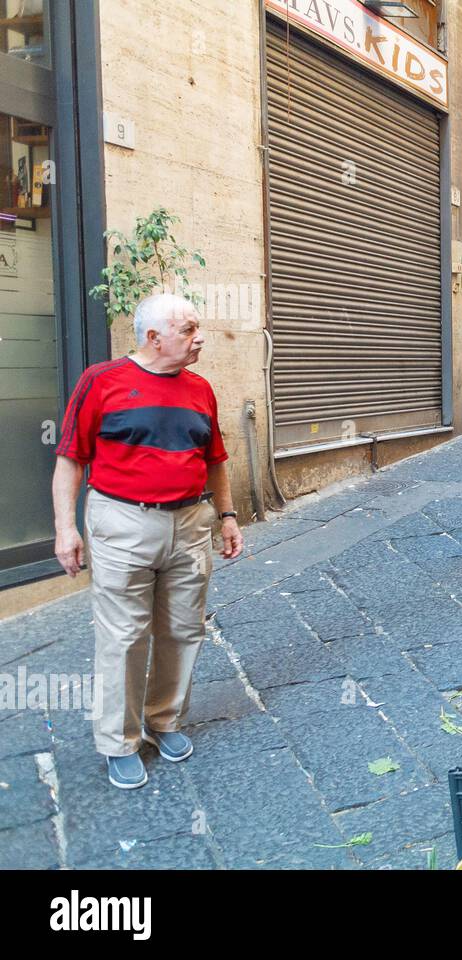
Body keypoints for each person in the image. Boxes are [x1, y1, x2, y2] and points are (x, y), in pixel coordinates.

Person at [51, 293, 244, 790]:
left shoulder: (200, 388)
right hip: (121, 522)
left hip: (189, 523)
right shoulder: (101, 380)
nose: (199, 337)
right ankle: (119, 741)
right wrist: (66, 528)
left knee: (184, 629)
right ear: (154, 337)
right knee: (123, 637)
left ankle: (163, 721)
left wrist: (226, 515)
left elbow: (215, 458)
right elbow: (71, 457)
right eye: (189, 329)